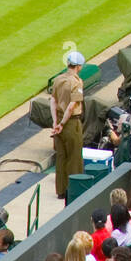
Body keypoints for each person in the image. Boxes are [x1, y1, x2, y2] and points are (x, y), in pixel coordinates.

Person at [49, 51, 87, 202]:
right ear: (78, 67)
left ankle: (61, 190)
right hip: (70, 123)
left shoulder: (58, 80)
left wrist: (55, 122)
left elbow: (53, 101)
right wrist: (63, 124)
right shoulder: (76, 82)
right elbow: (72, 106)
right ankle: (73, 191)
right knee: (74, 157)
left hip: (58, 119)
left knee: (61, 156)